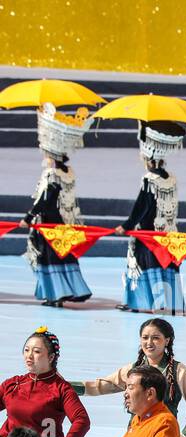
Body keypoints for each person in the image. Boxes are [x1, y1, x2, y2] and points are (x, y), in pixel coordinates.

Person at [74, 317, 186, 437]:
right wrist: (64, 386)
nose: (149, 342)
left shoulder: (179, 370)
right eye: (145, 337)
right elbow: (100, 386)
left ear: (167, 341)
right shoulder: (133, 369)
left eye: (155, 338)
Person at [20, 105, 93, 307]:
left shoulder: (51, 174)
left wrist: (28, 216)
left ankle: (56, 294)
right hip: (64, 222)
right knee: (63, 257)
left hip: (49, 224)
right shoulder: (67, 172)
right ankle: (62, 292)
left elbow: (45, 199)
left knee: (49, 258)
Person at [115, 121, 185, 314]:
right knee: (164, 267)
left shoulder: (149, 180)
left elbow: (141, 206)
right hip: (167, 232)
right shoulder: (170, 179)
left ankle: (144, 303)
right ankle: (167, 302)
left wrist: (126, 225)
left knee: (144, 266)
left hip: (149, 234)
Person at [1, 328, 90, 437]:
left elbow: (82, 421)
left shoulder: (61, 389)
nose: (29, 355)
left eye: (36, 351)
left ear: (51, 357)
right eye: (26, 350)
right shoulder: (13, 384)